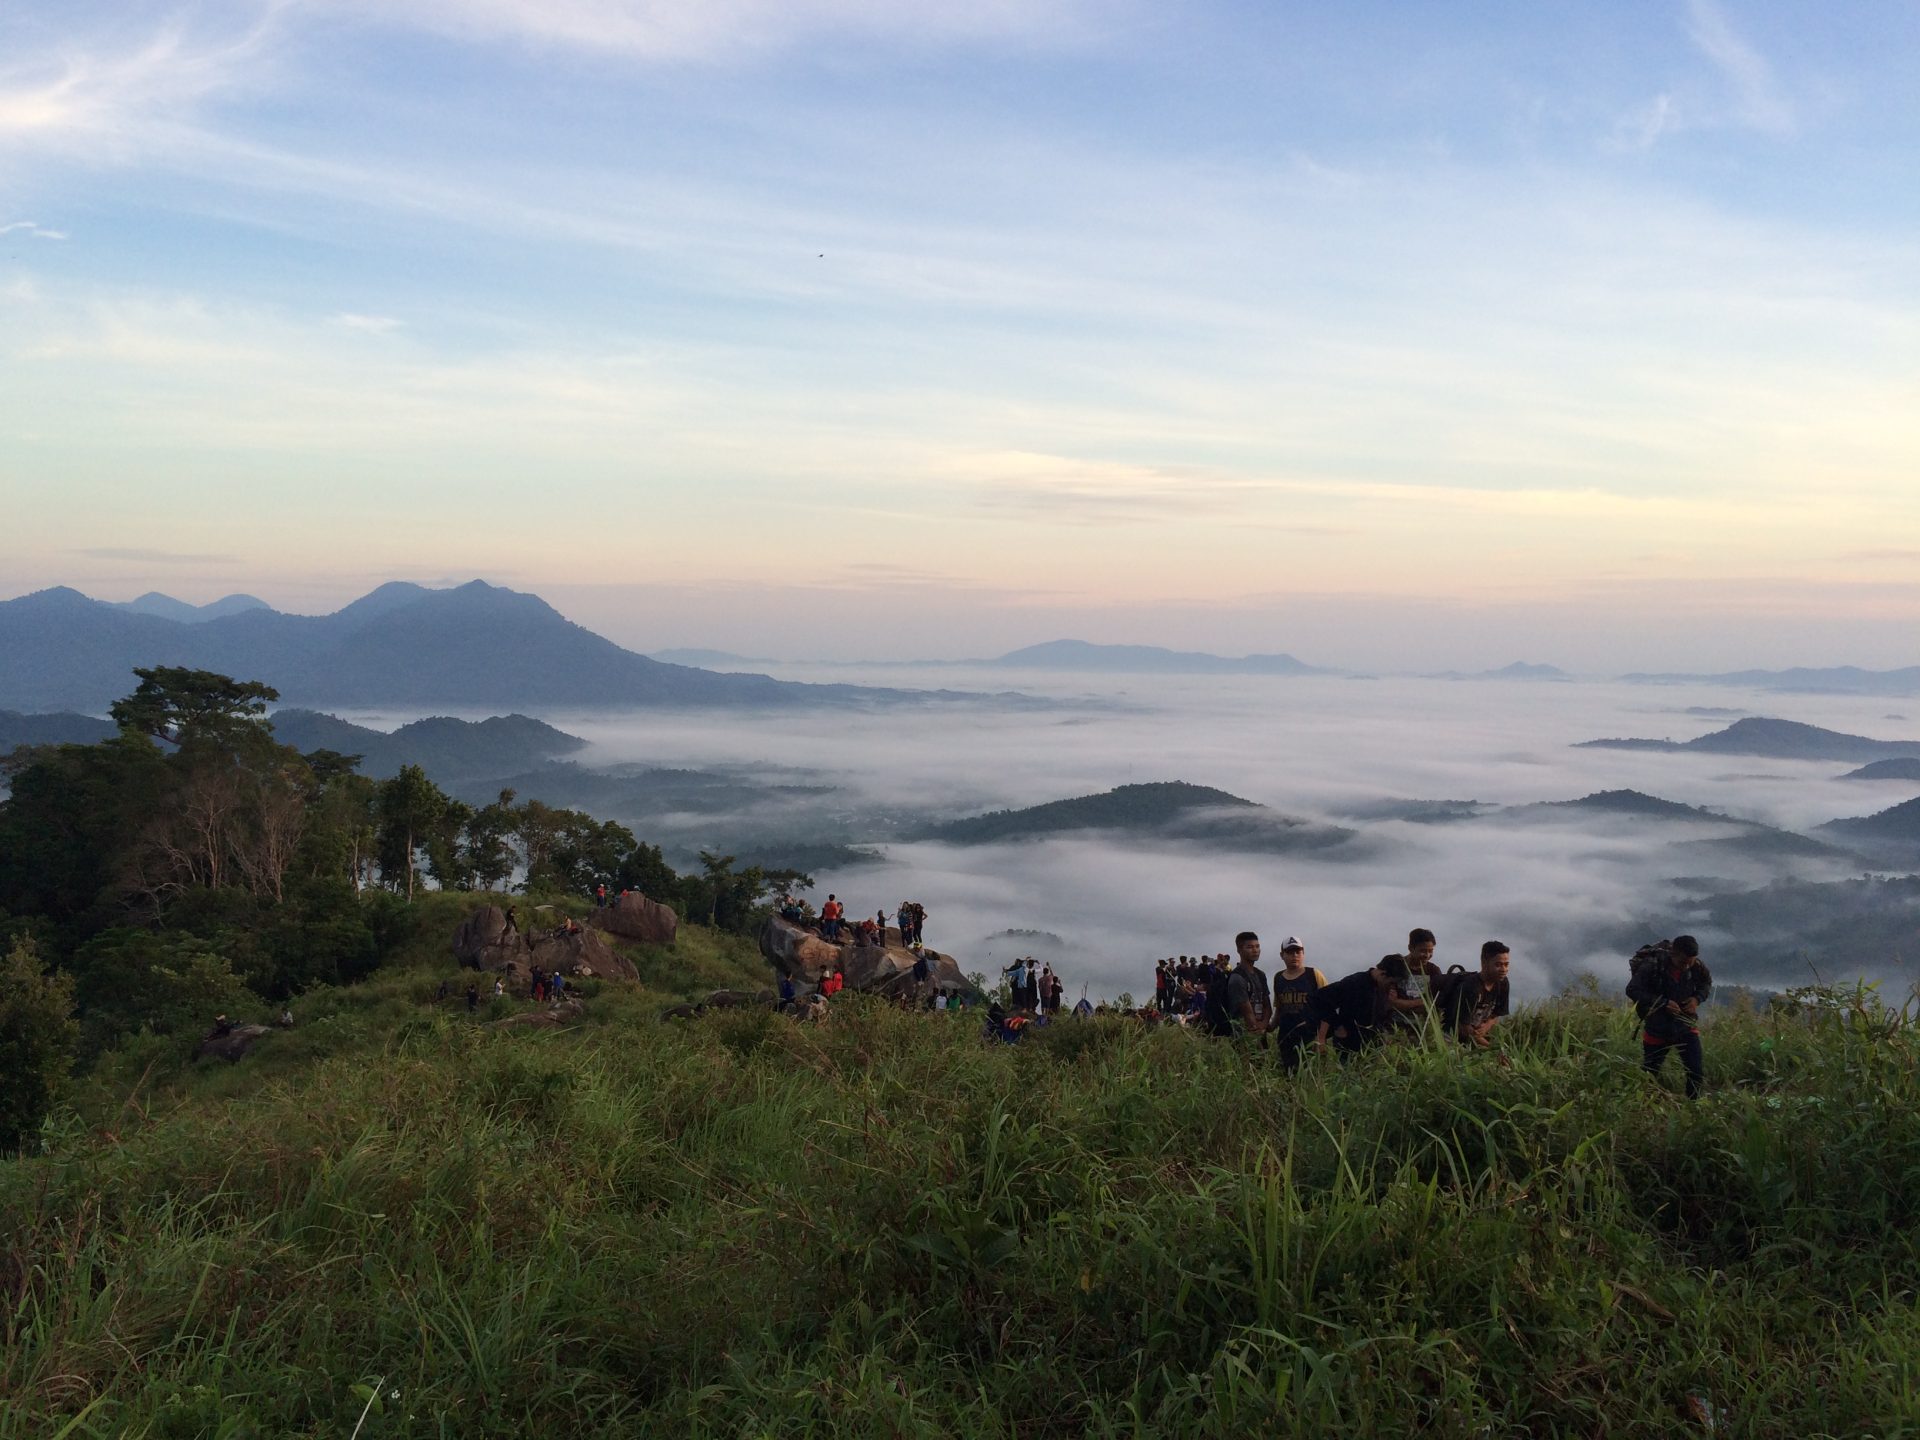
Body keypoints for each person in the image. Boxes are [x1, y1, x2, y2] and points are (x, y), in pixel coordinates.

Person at [1630, 935, 1712, 1099]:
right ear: (1673, 954)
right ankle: (1643, 1105)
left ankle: (1693, 1108)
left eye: (1691, 962)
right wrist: (1663, 1003)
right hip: (1657, 1026)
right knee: (1650, 1072)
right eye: (1683, 963)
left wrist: (1697, 999)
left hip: (1685, 1025)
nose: (1687, 967)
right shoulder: (1653, 965)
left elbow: (1705, 983)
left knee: (1695, 1072)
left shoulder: (1695, 966)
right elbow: (1632, 990)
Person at [1307, 956, 1408, 1056]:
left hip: (1374, 1048)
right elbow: (1320, 998)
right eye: (1391, 982)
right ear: (1383, 974)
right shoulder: (1354, 983)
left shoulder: (1383, 989)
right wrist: (1336, 1025)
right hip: (1348, 1047)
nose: (1392, 986)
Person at [1268, 937, 1327, 1069]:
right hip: (1286, 1038)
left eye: (1298, 952)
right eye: (1290, 952)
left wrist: (1321, 1037)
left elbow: (1327, 1008)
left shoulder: (1314, 975)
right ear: (1282, 955)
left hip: (1310, 1039)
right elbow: (1279, 1008)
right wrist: (1269, 1027)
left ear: (1303, 953)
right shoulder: (1278, 978)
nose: (1294, 956)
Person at [1440, 942, 1511, 1046]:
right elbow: (1463, 1027)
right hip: (1452, 1037)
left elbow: (1497, 1013)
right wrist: (1491, 1049)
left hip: (1475, 1038)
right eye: (1498, 965)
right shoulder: (1471, 987)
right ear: (1484, 963)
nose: (1504, 970)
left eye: (1506, 964)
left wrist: (1487, 1025)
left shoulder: (1503, 983)